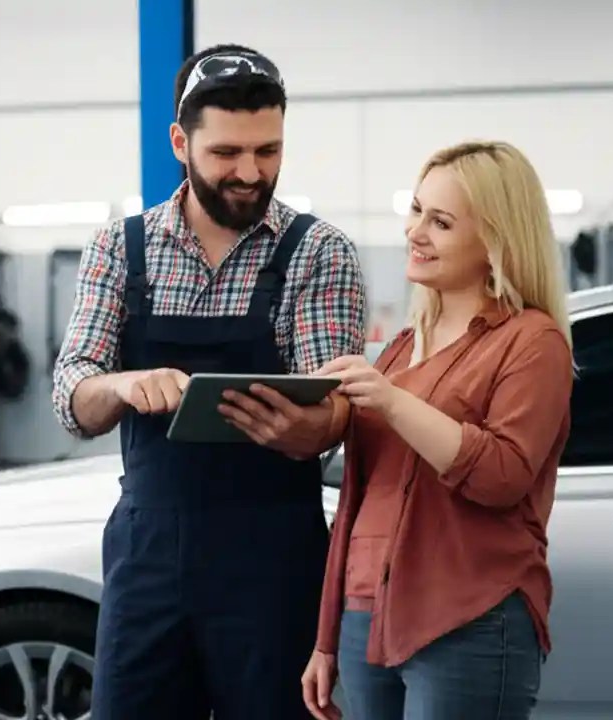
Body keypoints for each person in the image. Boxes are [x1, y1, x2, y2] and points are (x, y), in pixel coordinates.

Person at [51, 44, 368, 719]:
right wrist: (124, 385)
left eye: (268, 151)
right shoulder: (119, 249)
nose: (250, 173)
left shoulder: (319, 252)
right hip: (147, 551)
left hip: (273, 555)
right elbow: (72, 394)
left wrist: (315, 428)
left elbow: (339, 407)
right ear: (179, 141)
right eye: (227, 153)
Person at [301, 140, 575, 720]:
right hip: (363, 616)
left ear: (496, 240)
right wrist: (327, 637)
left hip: (466, 614)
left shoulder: (531, 342)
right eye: (416, 210)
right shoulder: (400, 350)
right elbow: (358, 500)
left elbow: (503, 475)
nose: (415, 232)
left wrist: (393, 403)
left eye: (441, 221)